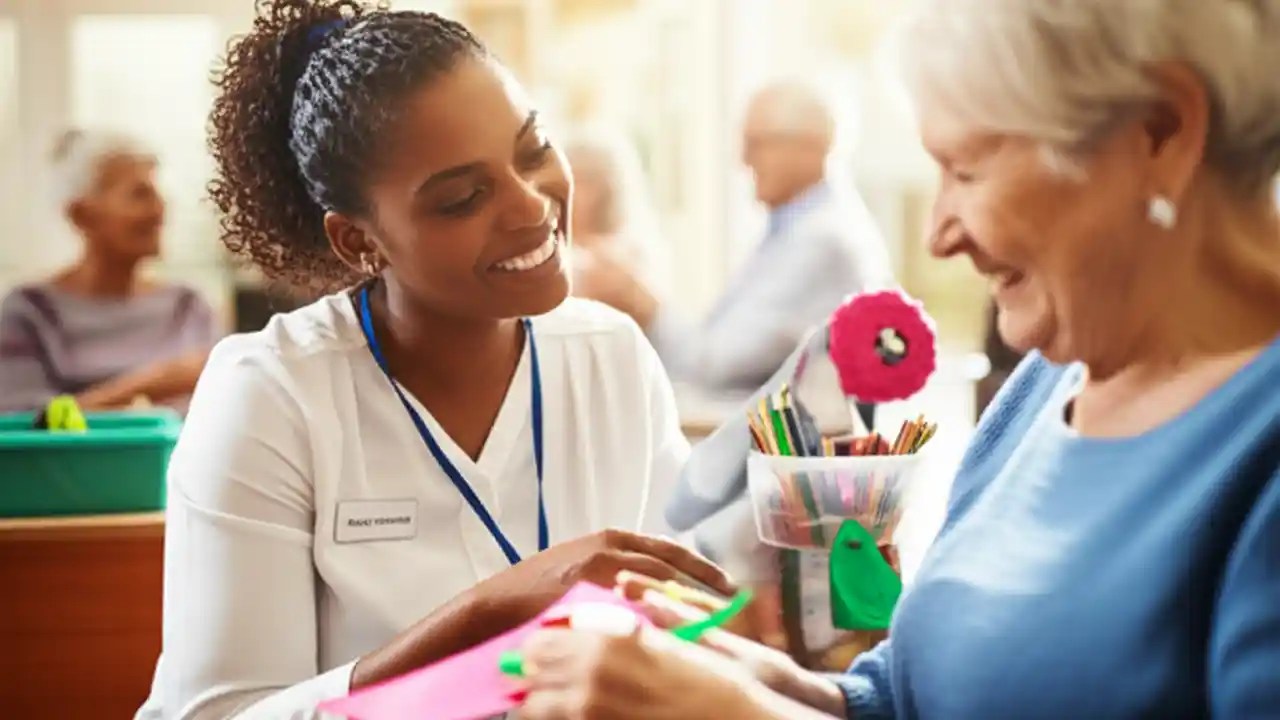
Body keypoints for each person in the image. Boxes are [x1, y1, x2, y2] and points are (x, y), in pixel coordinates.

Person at [510, 0, 1280, 717]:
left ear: (1162, 130)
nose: (939, 233)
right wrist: (757, 679)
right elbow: (913, 689)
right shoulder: (1048, 384)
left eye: (967, 171)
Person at [135, 2, 731, 718]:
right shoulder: (271, 396)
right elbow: (222, 716)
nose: (530, 206)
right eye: (463, 198)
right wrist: (490, 614)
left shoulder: (612, 357)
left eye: (533, 147)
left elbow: (684, 624)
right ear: (359, 242)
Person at [574, 79, 893, 395]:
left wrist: (643, 305)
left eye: (756, 143)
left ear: (812, 146)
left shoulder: (824, 241)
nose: (743, 160)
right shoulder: (797, 228)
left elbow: (716, 363)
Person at [0, 129, 219, 413]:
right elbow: (27, 428)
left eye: (157, 193)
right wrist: (149, 385)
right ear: (81, 214)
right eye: (140, 194)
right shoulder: (30, 312)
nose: (159, 209)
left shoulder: (189, 306)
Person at [563, 127, 669, 297]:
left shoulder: (627, 252)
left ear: (609, 189)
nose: (576, 191)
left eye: (588, 181)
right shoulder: (548, 244)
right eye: (572, 179)